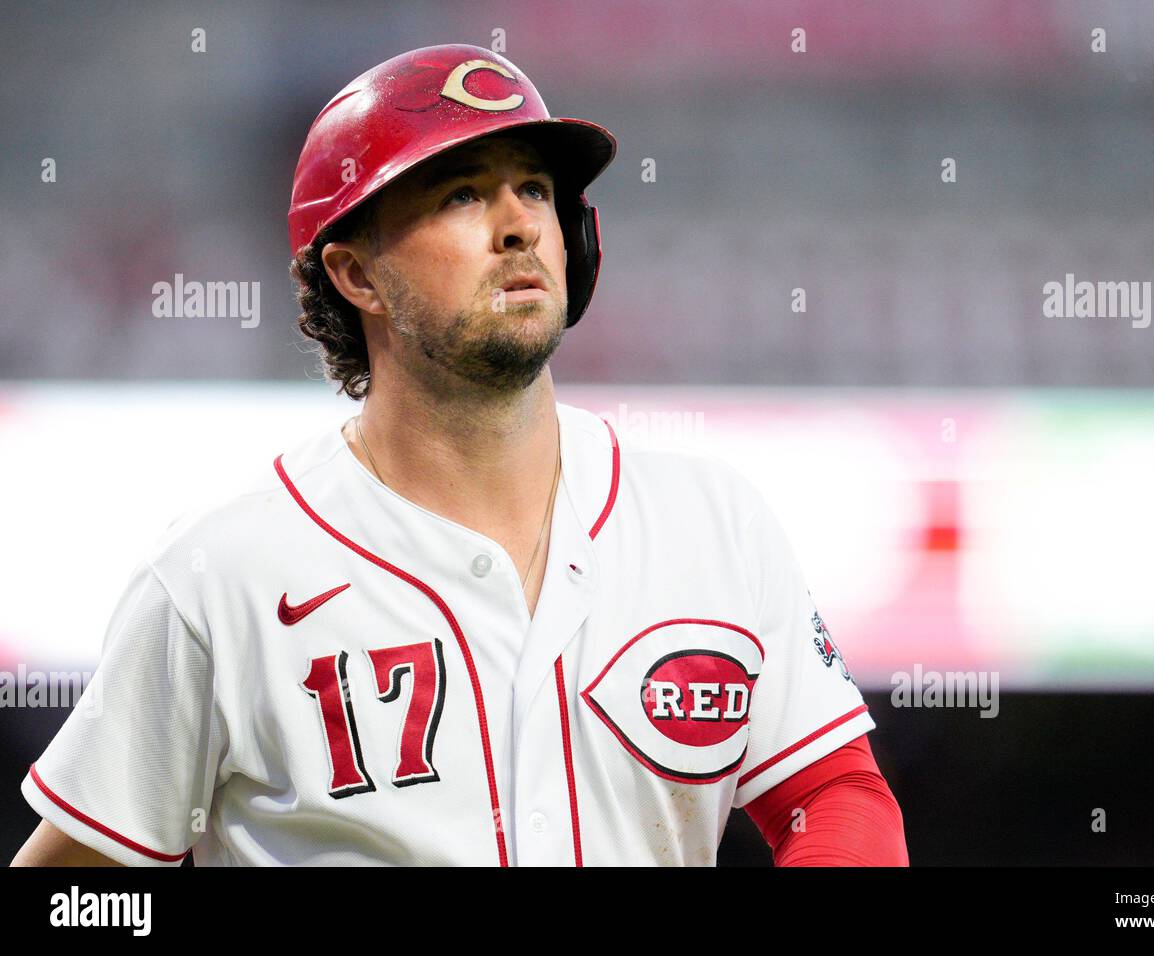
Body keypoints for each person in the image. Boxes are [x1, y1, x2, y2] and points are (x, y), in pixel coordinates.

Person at [11, 44, 907, 867]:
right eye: (462, 194)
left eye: (536, 190)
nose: (518, 224)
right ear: (356, 274)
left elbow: (831, 794)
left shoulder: (713, 521)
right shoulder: (220, 573)